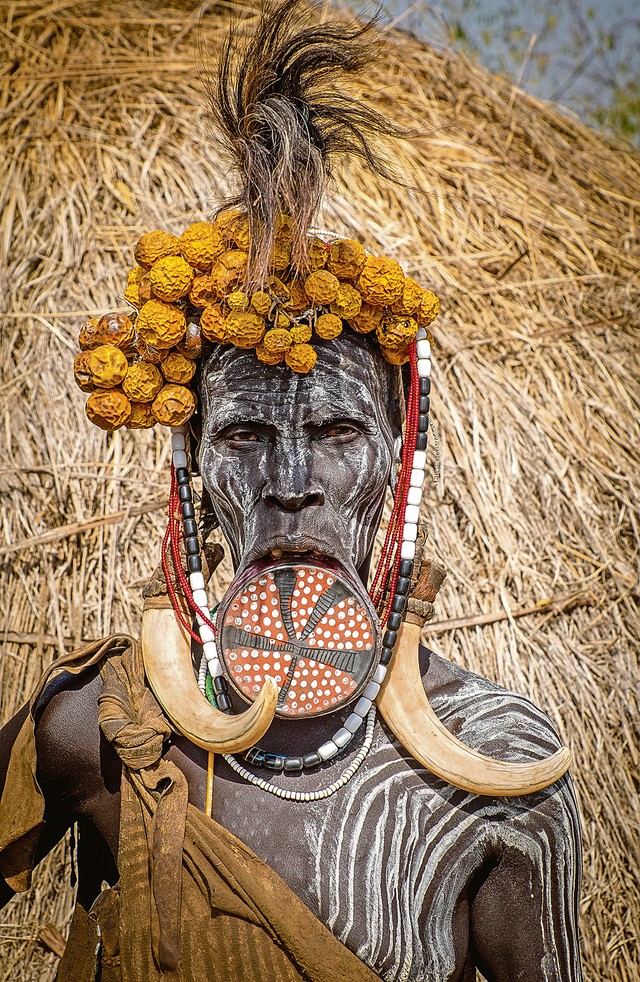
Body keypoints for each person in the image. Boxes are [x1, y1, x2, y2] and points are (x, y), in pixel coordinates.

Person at [0, 3, 582, 979]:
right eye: (244, 434)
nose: (290, 484)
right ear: (190, 463)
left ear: (400, 459)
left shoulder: (496, 767)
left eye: (338, 431)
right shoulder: (93, 732)